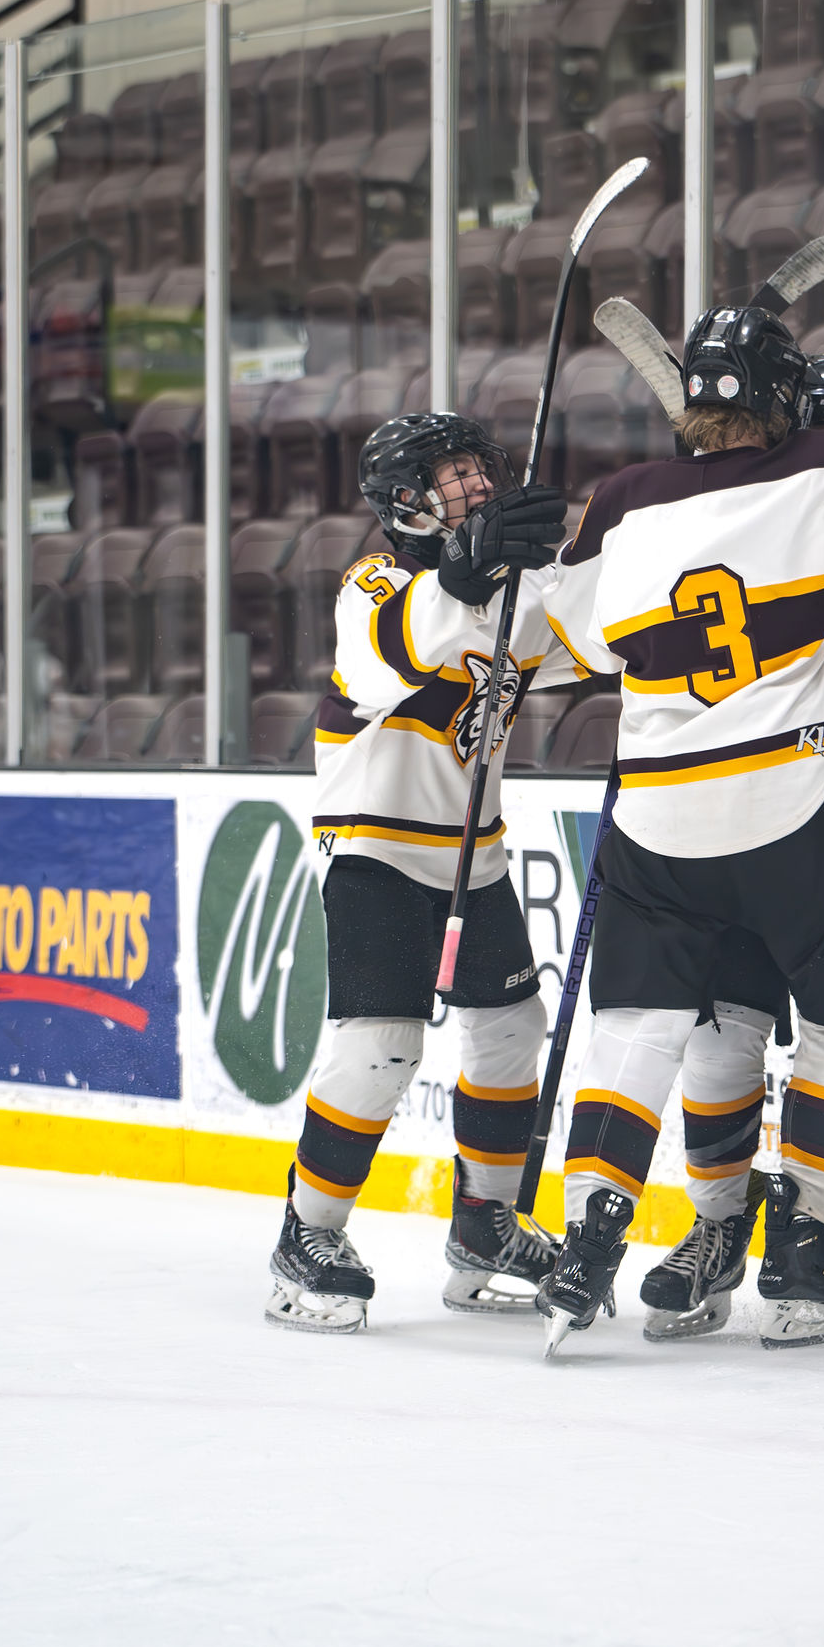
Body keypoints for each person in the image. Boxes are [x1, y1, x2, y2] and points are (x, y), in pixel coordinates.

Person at [534, 302, 824, 1352]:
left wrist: (506, 564)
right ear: (787, 401)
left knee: (640, 1035)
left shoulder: (620, 500)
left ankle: (585, 1248)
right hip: (790, 816)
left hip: (656, 821)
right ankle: (803, 1241)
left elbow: (562, 644)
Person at [264, 412, 571, 1333]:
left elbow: (592, 640)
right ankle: (305, 1233)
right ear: (406, 498)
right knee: (382, 1047)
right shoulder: (376, 584)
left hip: (475, 856)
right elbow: (386, 656)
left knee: (515, 1032)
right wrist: (468, 575)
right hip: (380, 849)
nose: (476, 483)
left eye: (481, 468)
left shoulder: (509, 594)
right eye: (453, 472)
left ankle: (485, 1227)